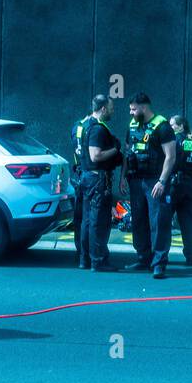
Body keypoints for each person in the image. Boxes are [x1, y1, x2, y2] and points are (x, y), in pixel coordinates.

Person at [123, 93, 178, 279]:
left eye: (133, 109)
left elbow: (171, 157)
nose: (131, 113)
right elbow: (127, 151)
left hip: (155, 180)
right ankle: (143, 258)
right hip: (136, 180)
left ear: (144, 107)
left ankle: (159, 263)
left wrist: (162, 181)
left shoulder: (162, 127)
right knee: (138, 221)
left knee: (159, 222)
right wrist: (123, 177)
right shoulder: (132, 126)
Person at [79, 95, 122, 272]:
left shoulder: (86, 125)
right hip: (98, 180)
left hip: (89, 178)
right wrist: (115, 149)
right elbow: (95, 155)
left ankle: (85, 259)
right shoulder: (97, 130)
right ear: (103, 108)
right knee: (99, 220)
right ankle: (98, 261)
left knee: (88, 220)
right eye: (111, 108)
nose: (113, 111)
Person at [70, 98, 103, 269]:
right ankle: (94, 259)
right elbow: (95, 155)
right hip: (93, 175)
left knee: (82, 219)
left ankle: (82, 257)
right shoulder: (95, 127)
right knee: (93, 219)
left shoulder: (77, 126)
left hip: (80, 175)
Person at [168, 116, 192, 266]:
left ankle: (161, 255)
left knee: (165, 220)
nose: (170, 128)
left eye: (172, 125)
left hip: (175, 183)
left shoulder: (175, 140)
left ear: (181, 126)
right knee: (187, 222)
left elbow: (171, 160)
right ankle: (191, 255)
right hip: (190, 183)